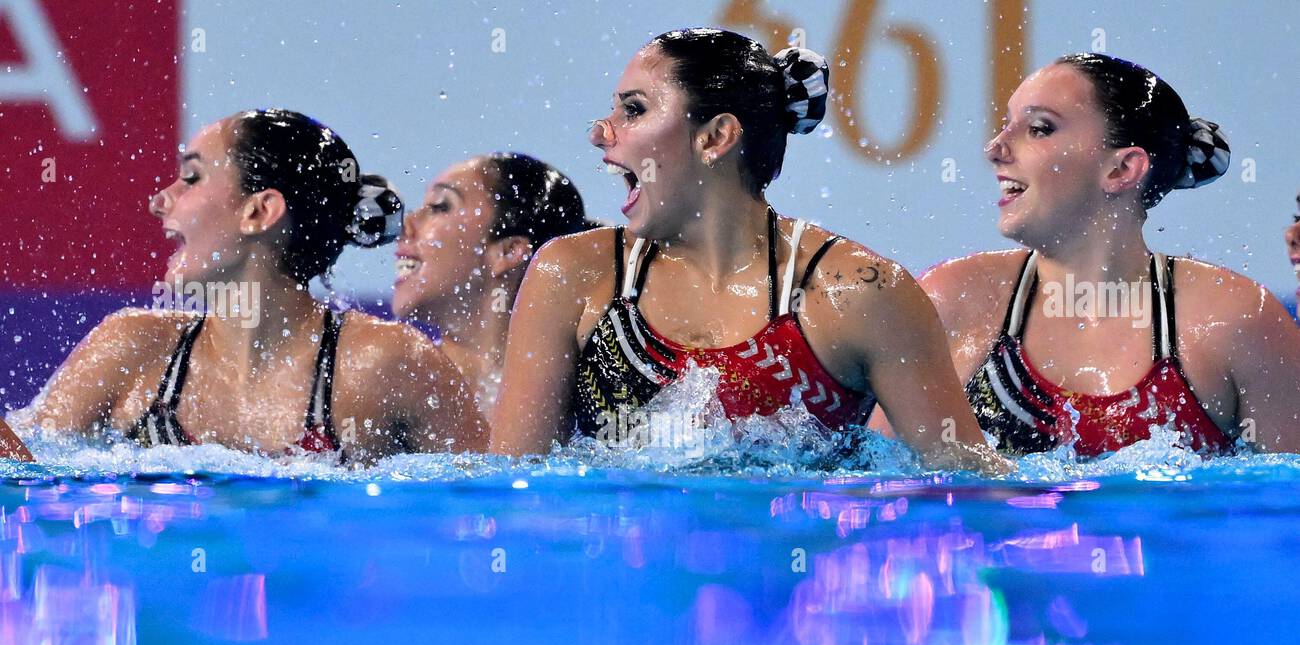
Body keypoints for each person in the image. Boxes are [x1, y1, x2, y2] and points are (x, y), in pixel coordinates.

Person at [489, 28, 1003, 473]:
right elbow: (515, 491)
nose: (601, 133)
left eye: (634, 110)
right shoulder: (573, 275)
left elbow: (970, 486)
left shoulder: (858, 294)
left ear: (715, 137)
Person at [29, 109, 485, 461]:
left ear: (259, 211)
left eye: (191, 178)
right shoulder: (132, 350)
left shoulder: (388, 363)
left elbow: (492, 510)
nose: (159, 200)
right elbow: (22, 483)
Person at [904, 54, 1300, 456]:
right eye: (1006, 125)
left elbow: (1283, 505)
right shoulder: (953, 301)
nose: (995, 148)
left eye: (1039, 128)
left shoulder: (1236, 321)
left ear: (1122, 169)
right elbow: (883, 486)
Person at [392, 152, 595, 422]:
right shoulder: (389, 389)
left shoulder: (592, 402)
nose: (405, 225)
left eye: (440, 206)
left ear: (508, 251)